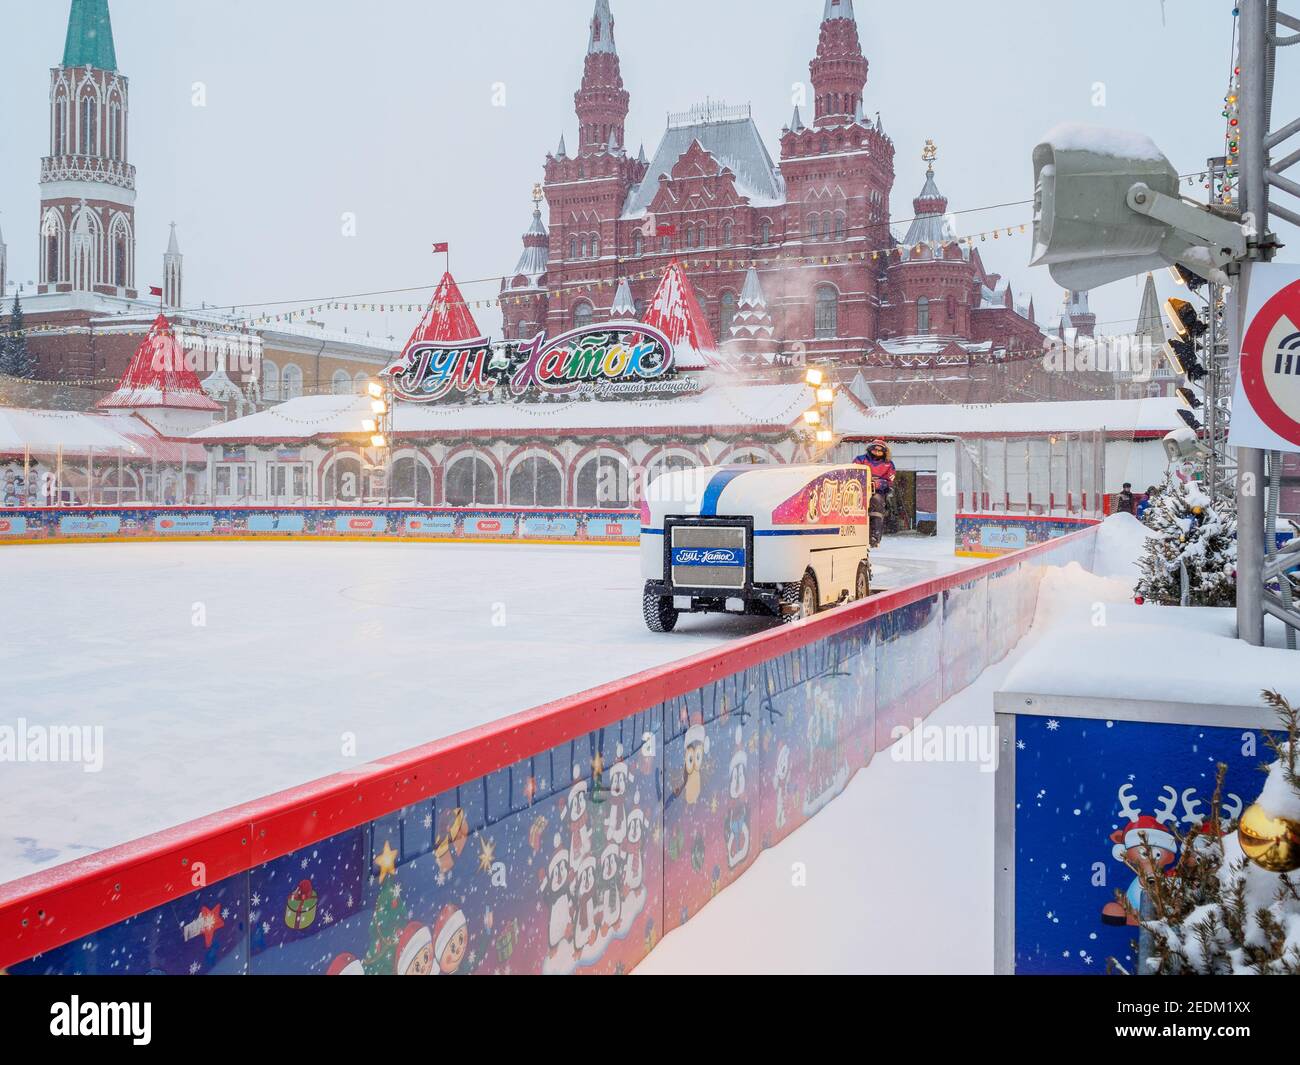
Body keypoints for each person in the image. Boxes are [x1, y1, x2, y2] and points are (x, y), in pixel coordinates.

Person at [854, 439, 896, 548]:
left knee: (876, 505)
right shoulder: (860, 459)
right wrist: (864, 481)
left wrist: (879, 484)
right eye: (875, 450)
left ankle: (874, 536)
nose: (877, 452)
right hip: (859, 491)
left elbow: (890, 481)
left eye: (880, 451)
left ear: (884, 452)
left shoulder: (888, 464)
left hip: (877, 492)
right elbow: (853, 473)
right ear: (870, 449)